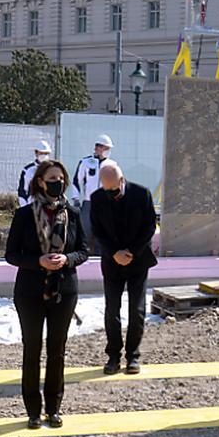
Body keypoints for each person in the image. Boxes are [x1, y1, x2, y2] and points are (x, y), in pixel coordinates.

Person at [5, 159, 89, 430]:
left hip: (64, 289)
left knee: (57, 350)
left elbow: (84, 251)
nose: (59, 182)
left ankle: (54, 408)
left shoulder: (72, 213)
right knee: (32, 350)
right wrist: (38, 261)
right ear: (40, 181)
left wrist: (67, 259)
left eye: (62, 178)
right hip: (30, 291)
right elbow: (11, 255)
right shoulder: (24, 215)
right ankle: (32, 410)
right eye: (53, 178)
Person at [90, 160, 158, 376]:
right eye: (105, 188)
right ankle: (113, 356)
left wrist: (132, 252)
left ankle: (133, 356)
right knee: (112, 311)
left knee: (136, 310)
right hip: (112, 262)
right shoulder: (98, 198)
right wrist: (114, 253)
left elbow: (149, 226)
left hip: (137, 261)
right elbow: (97, 231)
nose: (110, 193)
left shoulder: (141, 194)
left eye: (114, 189)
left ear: (121, 180)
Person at [72, 134, 112, 254]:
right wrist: (76, 198)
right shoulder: (86, 162)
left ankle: (101, 254)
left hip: (105, 203)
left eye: (109, 149)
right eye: (106, 148)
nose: (108, 151)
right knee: (85, 229)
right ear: (98, 147)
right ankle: (83, 253)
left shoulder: (112, 164)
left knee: (103, 230)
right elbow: (76, 180)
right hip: (88, 201)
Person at [18, 140, 54, 207]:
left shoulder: (53, 169)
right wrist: (24, 207)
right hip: (32, 206)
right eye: (41, 153)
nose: (44, 155)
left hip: (50, 206)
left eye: (46, 153)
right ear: (36, 153)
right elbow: (22, 191)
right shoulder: (27, 170)